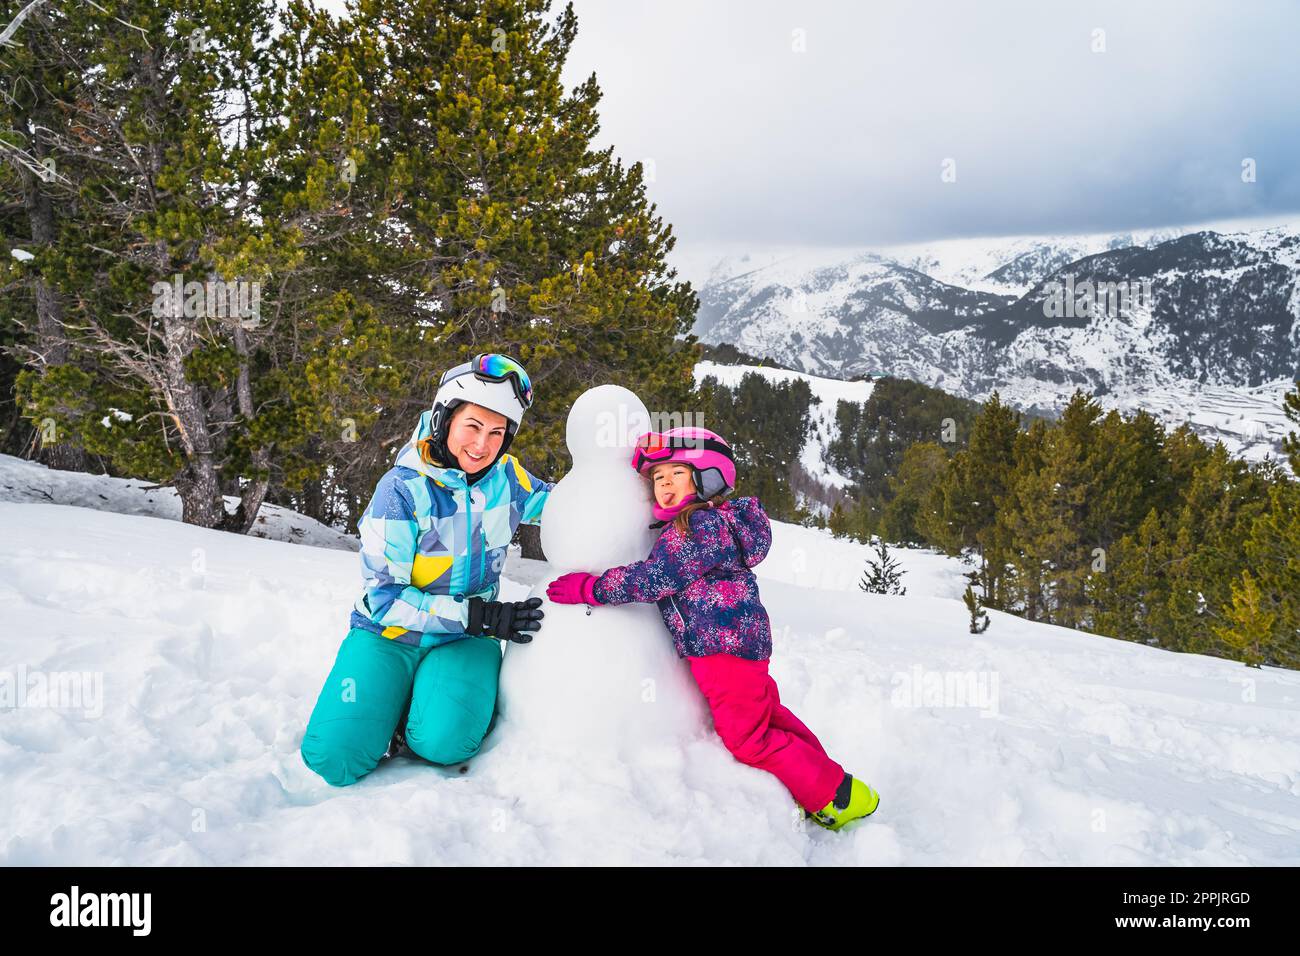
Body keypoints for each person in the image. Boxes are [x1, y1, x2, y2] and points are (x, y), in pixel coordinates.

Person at [546, 427, 881, 830]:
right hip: (737, 645)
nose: (665, 486)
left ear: (705, 478)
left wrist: (592, 587)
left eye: (676, 475)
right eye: (658, 479)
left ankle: (833, 797)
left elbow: (656, 578)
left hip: (723, 650)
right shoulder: (709, 524)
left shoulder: (697, 528)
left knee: (748, 740)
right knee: (769, 717)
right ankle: (836, 784)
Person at [301, 353, 553, 787]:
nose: (483, 445)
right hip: (389, 634)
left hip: (463, 641)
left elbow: (567, 507)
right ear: (443, 420)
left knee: (444, 745)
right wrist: (483, 617)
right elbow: (384, 599)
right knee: (333, 758)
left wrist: (651, 490)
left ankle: (421, 708)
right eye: (473, 426)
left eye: (498, 433)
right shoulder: (400, 489)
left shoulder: (508, 479)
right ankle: (392, 701)